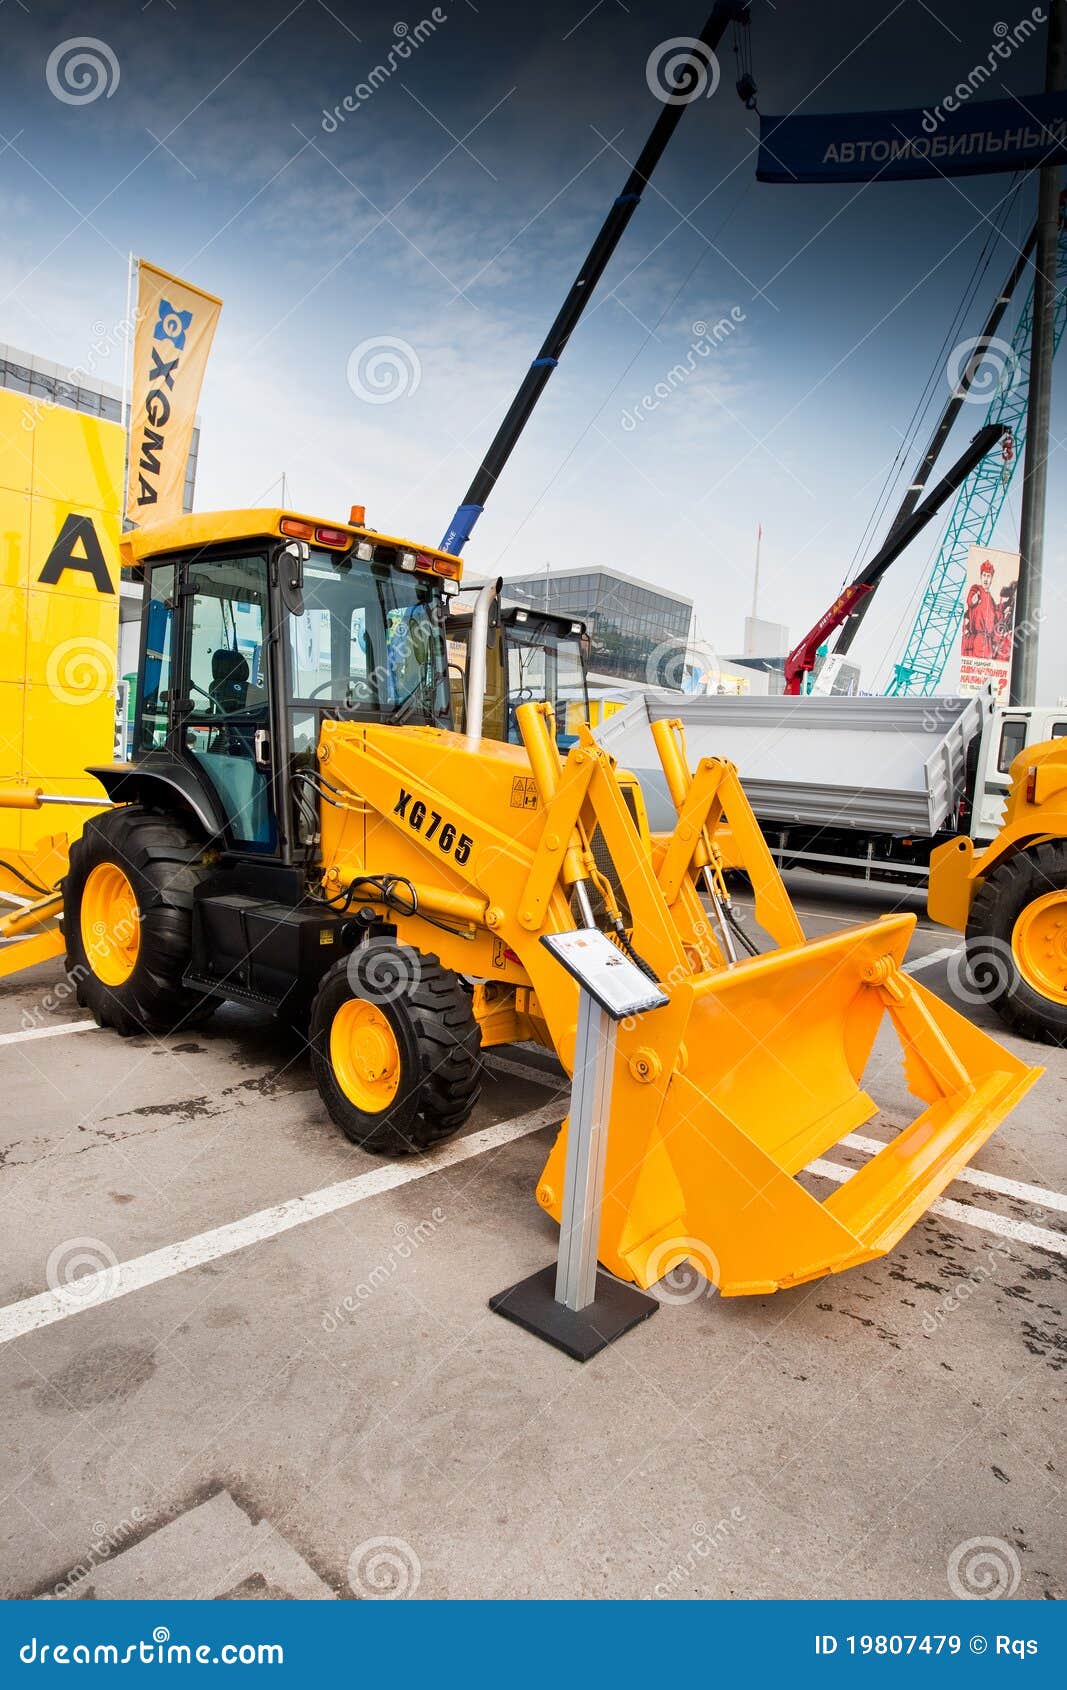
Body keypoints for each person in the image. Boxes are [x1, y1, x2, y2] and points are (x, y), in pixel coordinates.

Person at [962, 557, 997, 658]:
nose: (986, 579)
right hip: (978, 639)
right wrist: (974, 599)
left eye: (988, 576)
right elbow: (970, 601)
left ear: (991, 579)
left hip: (988, 642)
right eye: (984, 575)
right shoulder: (976, 589)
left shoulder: (990, 598)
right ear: (981, 576)